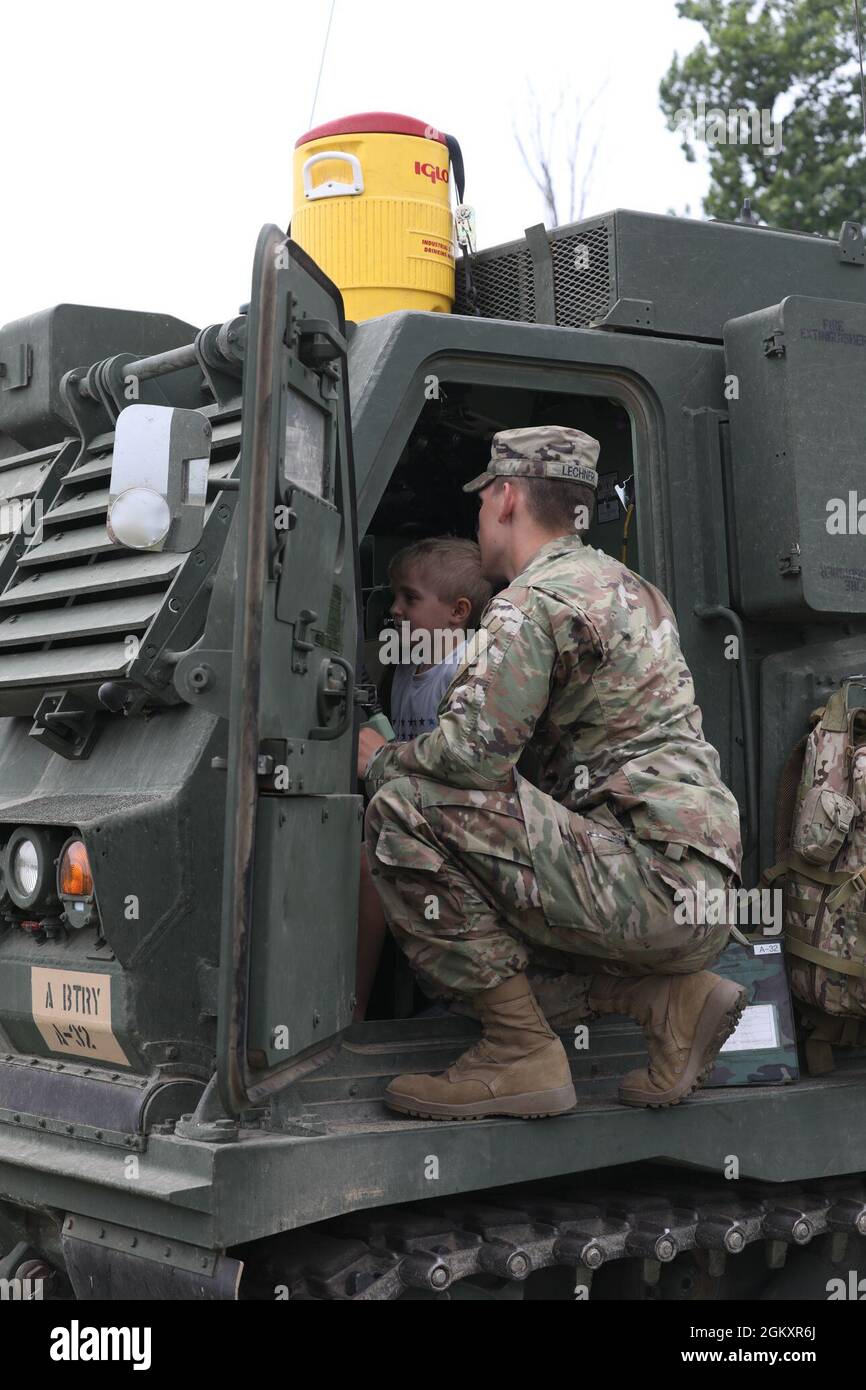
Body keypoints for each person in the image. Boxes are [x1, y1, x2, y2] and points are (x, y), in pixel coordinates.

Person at [357, 425, 747, 1119]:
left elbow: (471, 760)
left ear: (505, 498)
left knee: (406, 808)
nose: (479, 518)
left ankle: (517, 1053)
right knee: (480, 928)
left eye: (482, 502)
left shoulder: (530, 602)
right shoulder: (630, 588)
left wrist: (378, 760)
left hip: (642, 880)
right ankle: (667, 1001)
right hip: (697, 889)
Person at [354, 538, 492, 1020]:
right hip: (405, 814)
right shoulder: (405, 669)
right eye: (394, 596)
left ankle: (353, 1016)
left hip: (453, 826)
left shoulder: (468, 668)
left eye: (409, 598)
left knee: (369, 867)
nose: (394, 608)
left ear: (458, 612)